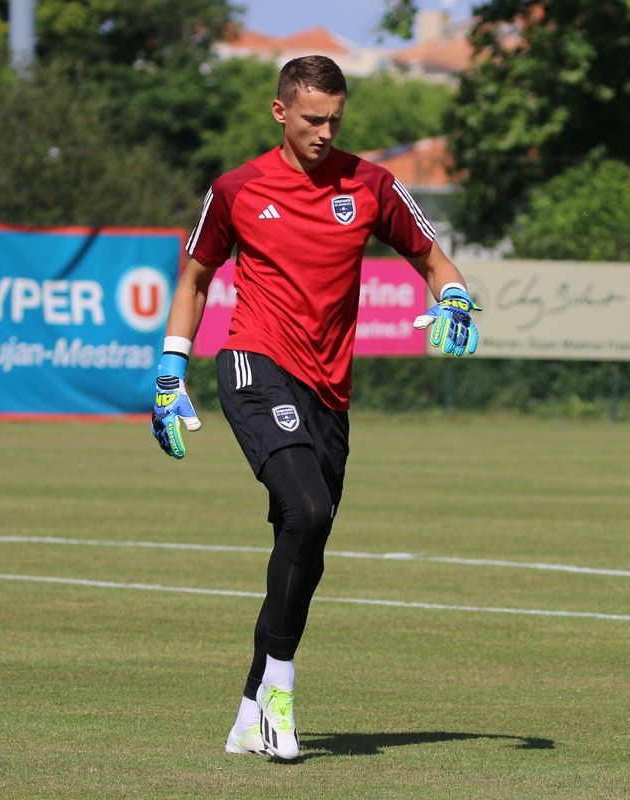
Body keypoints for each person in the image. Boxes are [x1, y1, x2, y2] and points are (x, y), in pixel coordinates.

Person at [149, 55, 480, 761]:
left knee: (303, 545)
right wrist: (170, 370)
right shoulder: (236, 189)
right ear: (280, 113)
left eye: (335, 118)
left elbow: (433, 258)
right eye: (311, 119)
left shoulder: (372, 183)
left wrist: (452, 295)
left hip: (330, 393)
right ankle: (281, 695)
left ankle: (249, 710)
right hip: (253, 365)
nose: (326, 131)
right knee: (307, 511)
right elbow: (196, 278)